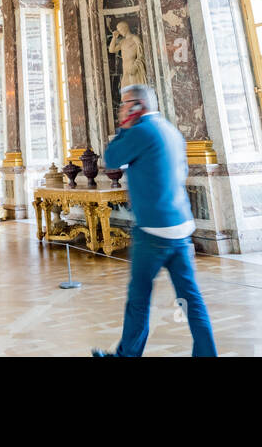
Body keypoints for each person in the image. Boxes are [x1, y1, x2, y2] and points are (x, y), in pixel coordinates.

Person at [92, 84, 216, 358]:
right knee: (190, 298)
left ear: (138, 105)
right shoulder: (171, 130)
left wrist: (124, 126)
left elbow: (111, 158)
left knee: (138, 298)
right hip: (181, 226)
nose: (122, 109)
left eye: (125, 105)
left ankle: (127, 355)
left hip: (154, 231)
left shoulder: (140, 131)